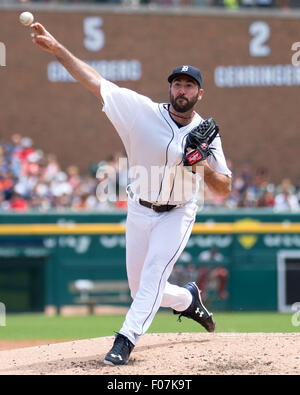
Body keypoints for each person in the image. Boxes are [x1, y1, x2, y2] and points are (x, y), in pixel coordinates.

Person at [30, 22, 232, 366]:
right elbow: (95, 82)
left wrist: (201, 164)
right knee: (142, 290)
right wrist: (58, 49)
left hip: (179, 212)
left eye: (189, 85)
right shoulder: (140, 112)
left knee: (154, 273)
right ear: (170, 88)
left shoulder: (206, 134)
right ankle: (187, 299)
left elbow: (224, 187)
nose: (182, 89)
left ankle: (124, 341)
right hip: (140, 210)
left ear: (200, 93)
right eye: (177, 83)